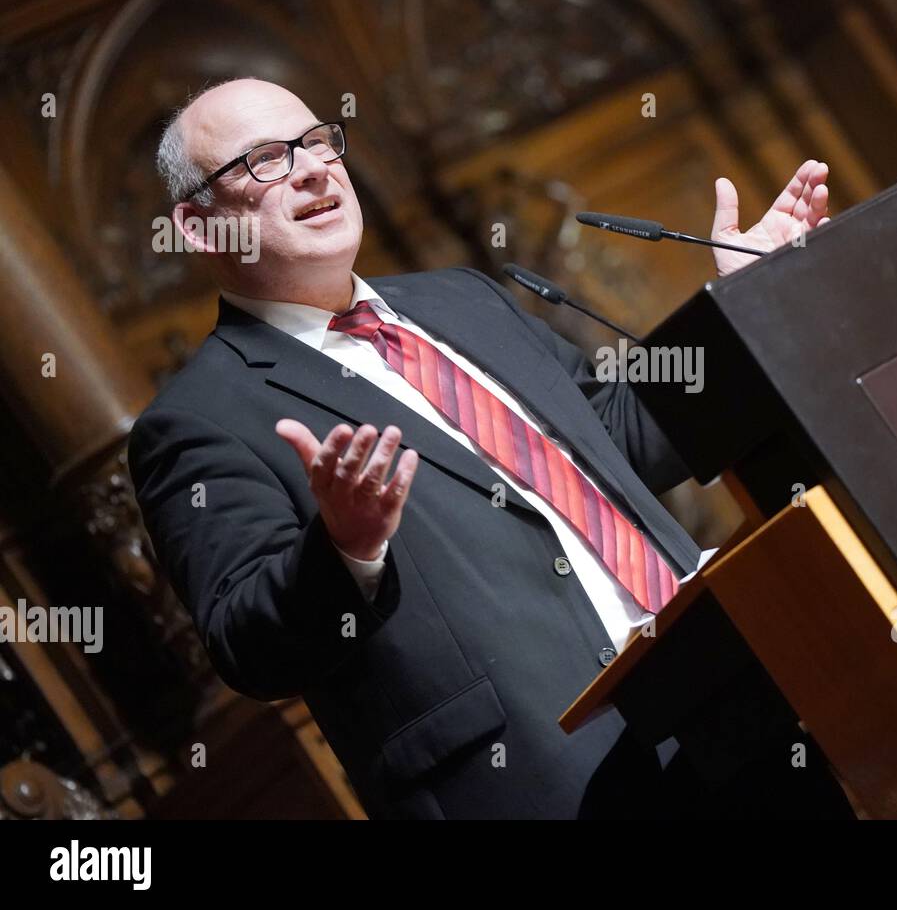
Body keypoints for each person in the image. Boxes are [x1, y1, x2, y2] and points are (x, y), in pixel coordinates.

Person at [130, 77, 833, 818]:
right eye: (265, 159)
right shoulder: (199, 419)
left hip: (728, 703)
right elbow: (249, 644)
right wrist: (344, 549)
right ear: (202, 227)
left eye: (315, 142)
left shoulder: (459, 299)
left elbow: (621, 438)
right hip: (553, 784)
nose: (312, 168)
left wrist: (741, 306)